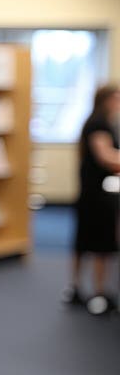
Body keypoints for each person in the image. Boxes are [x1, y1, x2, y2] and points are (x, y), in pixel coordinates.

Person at [63, 84, 120, 315]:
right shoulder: (99, 123)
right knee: (99, 244)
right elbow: (106, 157)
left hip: (91, 193)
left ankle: (76, 288)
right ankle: (98, 294)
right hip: (98, 195)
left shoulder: (99, 122)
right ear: (105, 100)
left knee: (84, 240)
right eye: (115, 98)